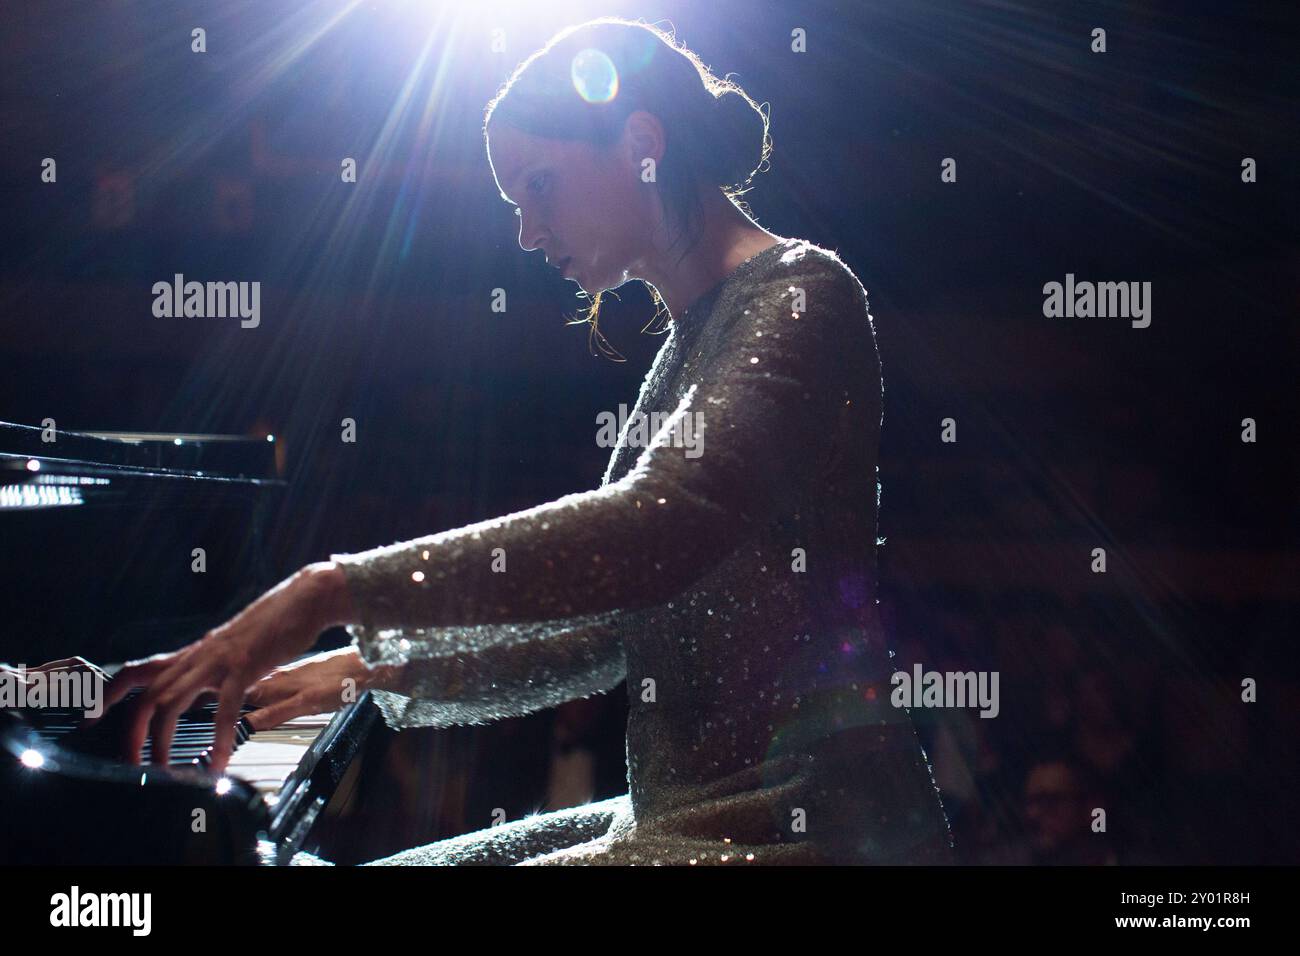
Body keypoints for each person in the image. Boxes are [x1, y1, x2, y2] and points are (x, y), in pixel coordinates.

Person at [101, 17, 956, 865]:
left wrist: (329, 591)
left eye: (539, 185)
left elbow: (656, 527)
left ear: (641, 144)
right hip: (692, 813)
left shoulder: (807, 296)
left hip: (807, 822)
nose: (526, 232)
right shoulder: (684, 351)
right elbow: (596, 635)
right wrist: (363, 677)